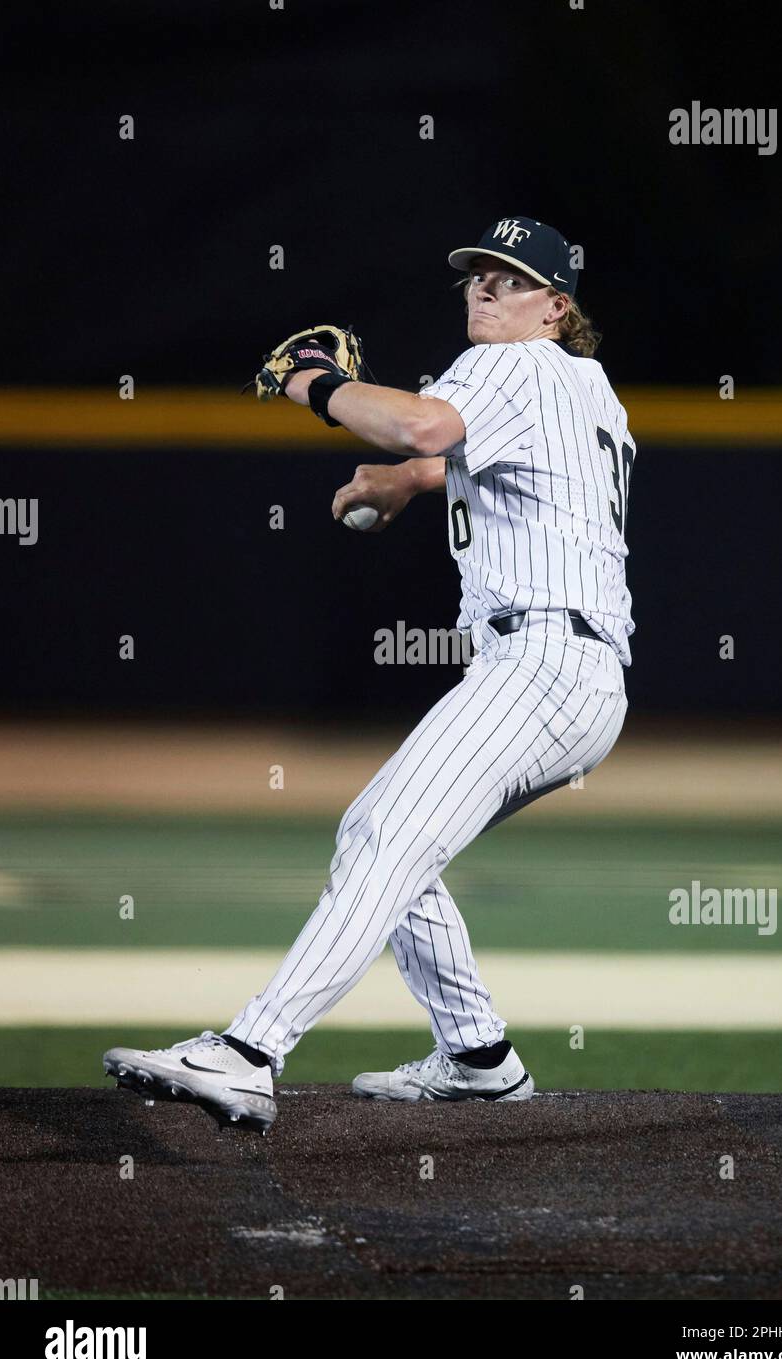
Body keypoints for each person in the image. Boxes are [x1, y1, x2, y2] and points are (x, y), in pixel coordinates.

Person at [104, 215, 635, 1133]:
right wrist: (415, 481)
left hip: (543, 662)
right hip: (577, 672)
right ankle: (478, 1056)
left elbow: (419, 419)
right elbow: (496, 462)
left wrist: (318, 383)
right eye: (477, 276)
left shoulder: (515, 364)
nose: (484, 290)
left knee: (385, 834)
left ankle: (248, 1052)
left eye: (511, 281)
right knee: (389, 843)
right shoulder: (585, 388)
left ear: (556, 307)